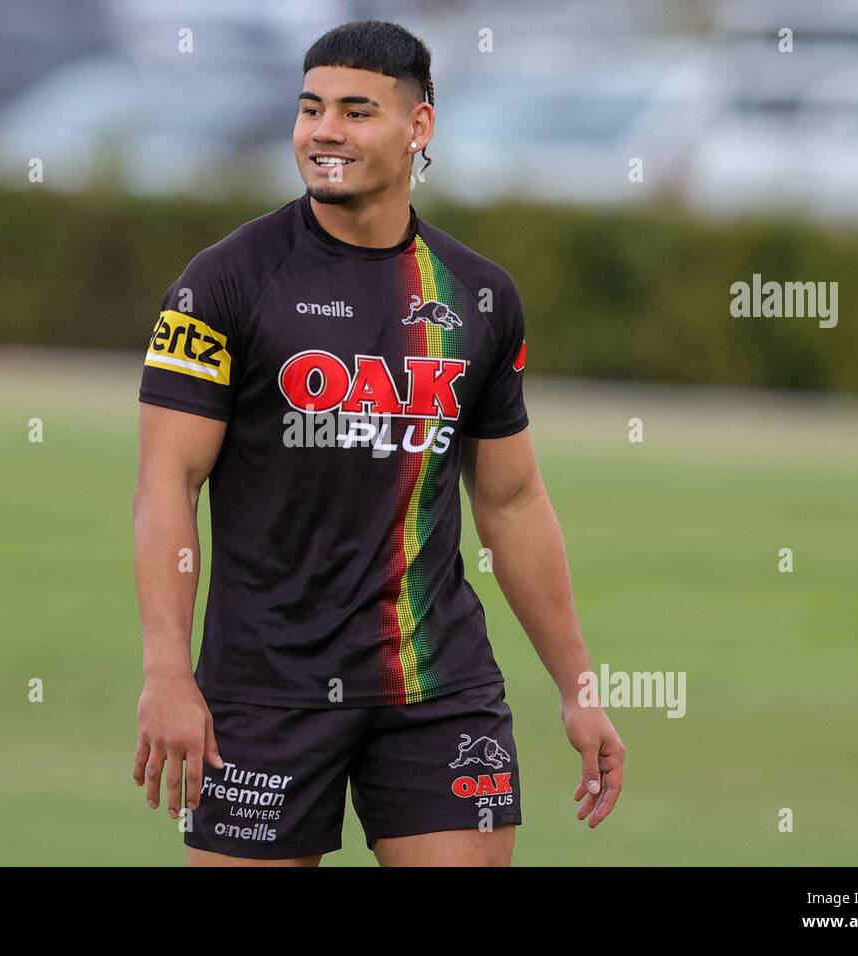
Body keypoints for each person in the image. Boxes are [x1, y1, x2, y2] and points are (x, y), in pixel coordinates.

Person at [132, 19, 624, 866]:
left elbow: (511, 502)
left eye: (357, 112)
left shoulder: (478, 298)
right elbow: (166, 485)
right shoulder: (222, 282)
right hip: (266, 689)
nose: (325, 131)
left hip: (438, 686)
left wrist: (580, 689)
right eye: (311, 108)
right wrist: (169, 673)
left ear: (419, 127)